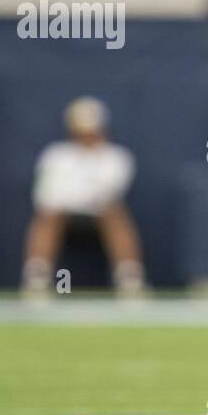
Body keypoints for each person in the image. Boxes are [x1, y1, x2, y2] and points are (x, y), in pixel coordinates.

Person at [22, 97, 146, 299]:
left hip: (100, 213)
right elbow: (45, 195)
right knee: (47, 215)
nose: (87, 136)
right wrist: (78, 197)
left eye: (91, 130)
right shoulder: (56, 155)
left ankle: (129, 277)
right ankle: (37, 277)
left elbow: (110, 192)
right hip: (62, 212)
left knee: (114, 213)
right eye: (82, 130)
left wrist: (78, 195)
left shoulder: (116, 156)